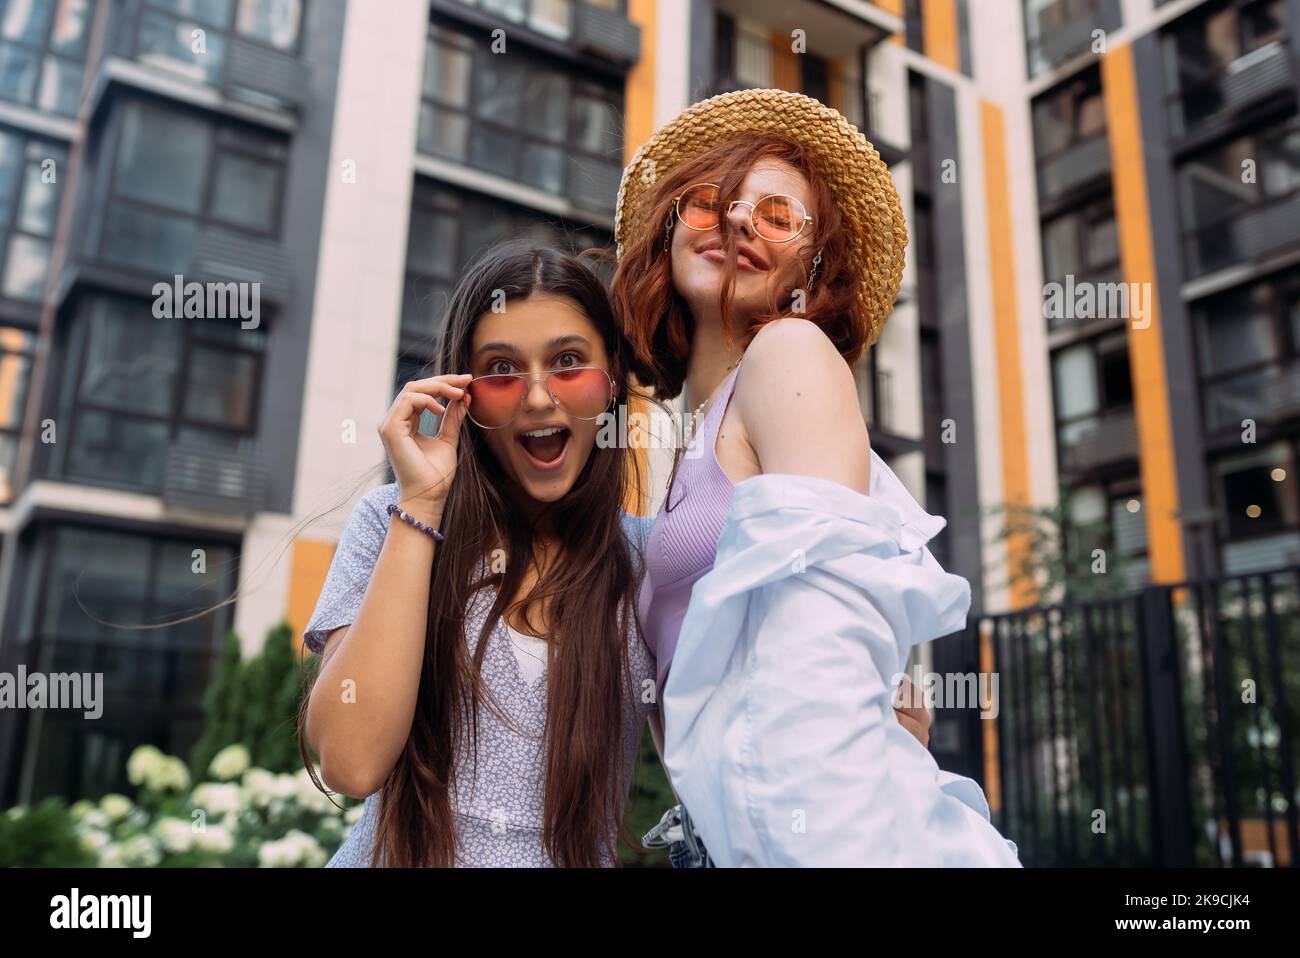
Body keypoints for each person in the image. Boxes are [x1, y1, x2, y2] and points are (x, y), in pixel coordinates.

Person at [611, 89, 1021, 867]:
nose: (736, 221)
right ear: (669, 231)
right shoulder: (695, 437)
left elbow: (819, 651)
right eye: (709, 203)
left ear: (815, 263)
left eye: (776, 217)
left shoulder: (789, 355)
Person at [299, 240, 654, 867]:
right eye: (501, 370)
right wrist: (424, 506)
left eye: (568, 361)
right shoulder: (391, 521)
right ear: (463, 393)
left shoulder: (649, 561)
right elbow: (349, 763)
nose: (539, 397)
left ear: (613, 383)